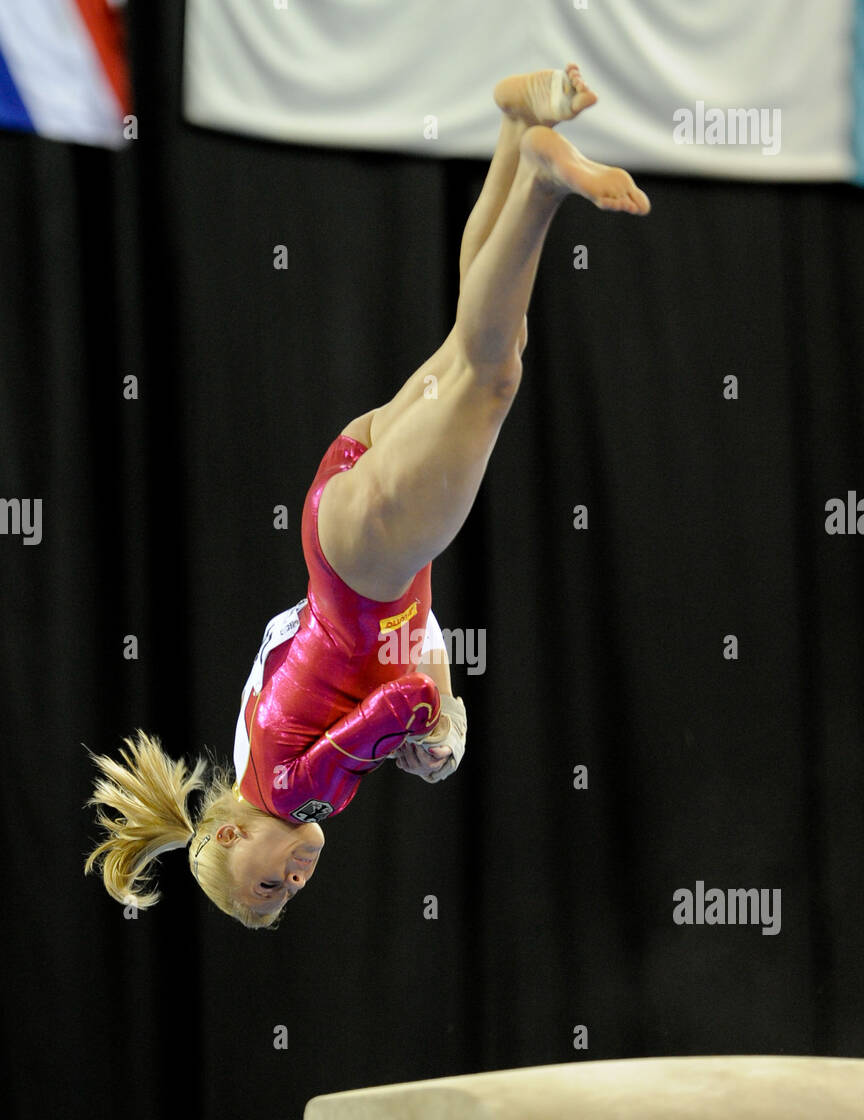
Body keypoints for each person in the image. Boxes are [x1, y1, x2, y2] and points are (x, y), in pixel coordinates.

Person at [85, 63, 650, 930]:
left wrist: (439, 736)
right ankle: (514, 125)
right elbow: (352, 642)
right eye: (287, 900)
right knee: (481, 347)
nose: (294, 883)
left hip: (372, 558)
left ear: (233, 837)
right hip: (343, 524)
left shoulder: (295, 788)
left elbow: (407, 702)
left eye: (266, 886)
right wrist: (428, 699)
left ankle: (539, 181)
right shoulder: (253, 751)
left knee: (494, 374)